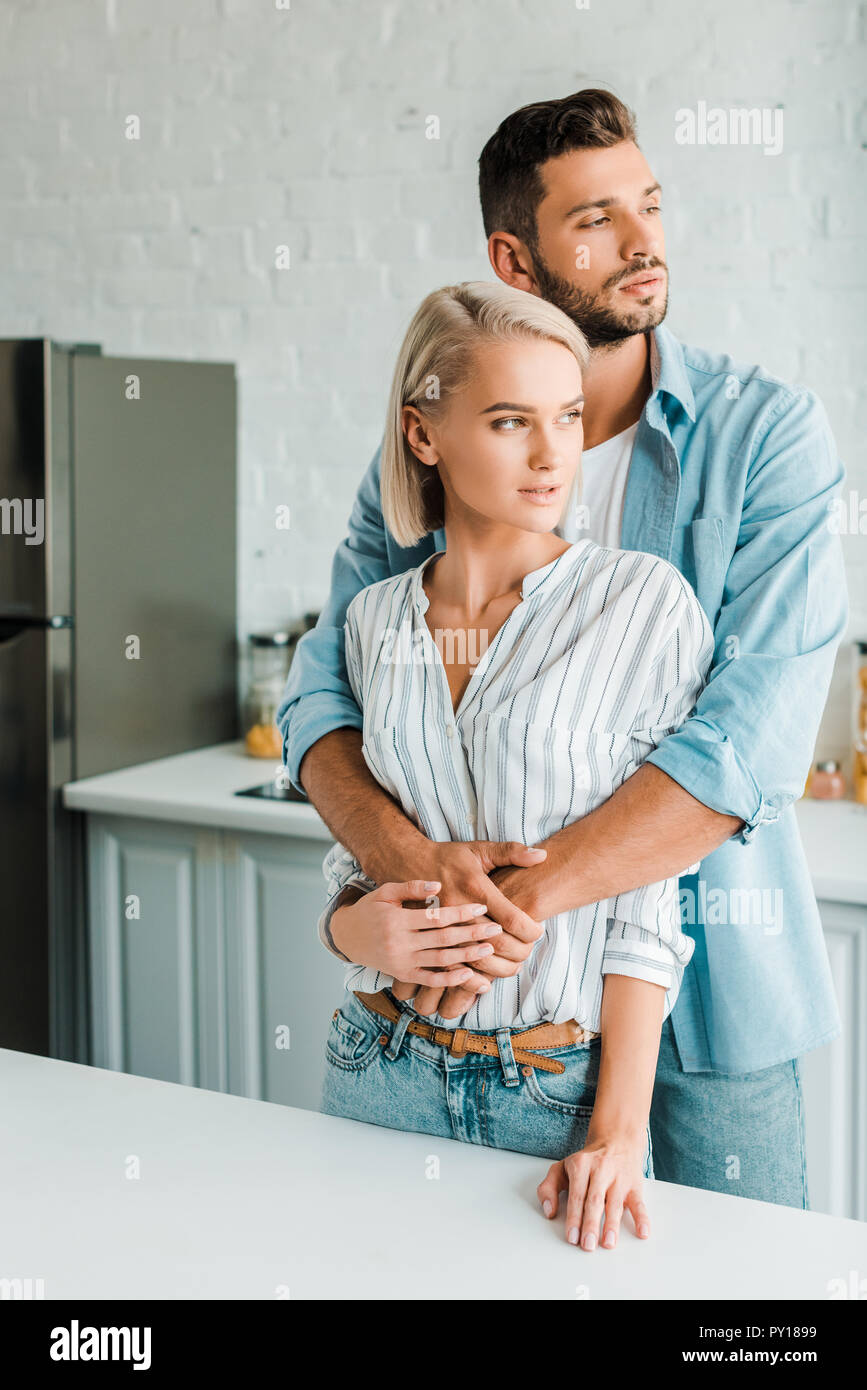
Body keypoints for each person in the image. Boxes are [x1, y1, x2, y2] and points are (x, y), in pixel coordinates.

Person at [277, 88, 849, 1217]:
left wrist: (497, 910)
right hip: (483, 1025)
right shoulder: (432, 457)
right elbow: (325, 693)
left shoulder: (766, 435)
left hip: (710, 1003)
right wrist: (400, 865)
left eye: (649, 205)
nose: (644, 244)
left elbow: (744, 752)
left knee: (749, 1321)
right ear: (514, 255)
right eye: (595, 220)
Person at [318, 280, 714, 1252]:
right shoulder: (373, 622)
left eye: (569, 417)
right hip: (376, 1061)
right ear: (425, 435)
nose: (552, 455)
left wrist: (616, 1131)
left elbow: (647, 900)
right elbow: (355, 858)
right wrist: (351, 930)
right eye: (509, 421)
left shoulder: (641, 606)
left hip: (548, 1092)